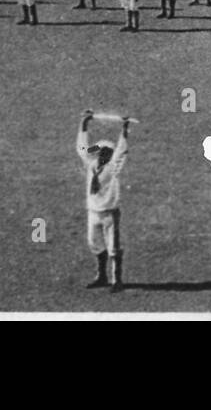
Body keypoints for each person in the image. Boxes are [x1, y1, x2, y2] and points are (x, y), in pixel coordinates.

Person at [78, 111, 131, 292]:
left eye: (107, 153)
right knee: (95, 244)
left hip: (109, 212)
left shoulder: (113, 167)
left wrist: (125, 129)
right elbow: (83, 149)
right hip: (93, 212)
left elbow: (122, 150)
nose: (103, 155)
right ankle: (101, 276)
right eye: (101, 152)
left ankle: (117, 280)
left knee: (113, 248)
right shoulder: (91, 165)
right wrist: (84, 125)